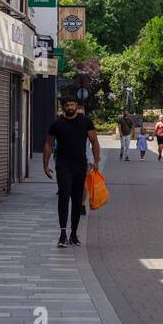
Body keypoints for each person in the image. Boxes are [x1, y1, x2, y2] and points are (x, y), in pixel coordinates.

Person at [44, 96, 100, 248]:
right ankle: (62, 233)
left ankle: (74, 233)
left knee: (76, 200)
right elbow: (48, 144)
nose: (70, 107)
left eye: (72, 104)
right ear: (63, 107)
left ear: (76, 105)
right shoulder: (57, 124)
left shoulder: (85, 121)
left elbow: (94, 141)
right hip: (63, 165)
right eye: (67, 105)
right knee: (63, 196)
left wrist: (96, 161)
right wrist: (45, 165)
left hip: (80, 165)